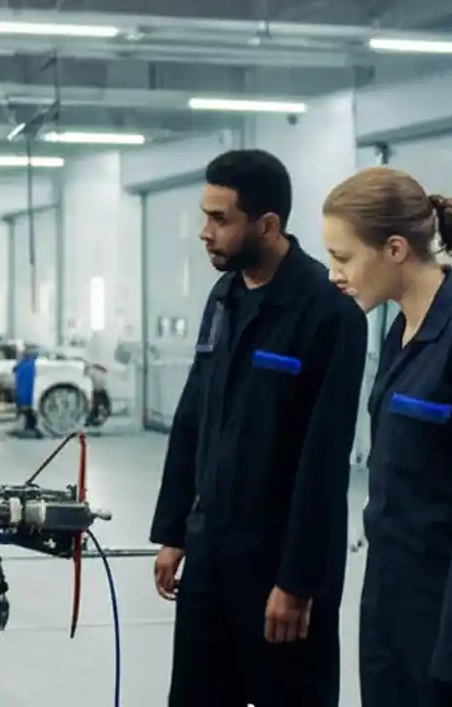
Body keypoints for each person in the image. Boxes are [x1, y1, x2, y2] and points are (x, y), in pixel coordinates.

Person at [149, 149, 368, 706]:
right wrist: (175, 531)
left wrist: (297, 582)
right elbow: (192, 418)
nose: (205, 233)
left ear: (267, 226)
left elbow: (323, 462)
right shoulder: (223, 299)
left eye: (220, 219)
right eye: (206, 216)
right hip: (211, 555)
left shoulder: (328, 314)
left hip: (278, 569)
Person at [320, 166, 452, 707]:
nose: (333, 274)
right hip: (392, 615)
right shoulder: (400, 334)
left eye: (343, 258)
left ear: (395, 249)